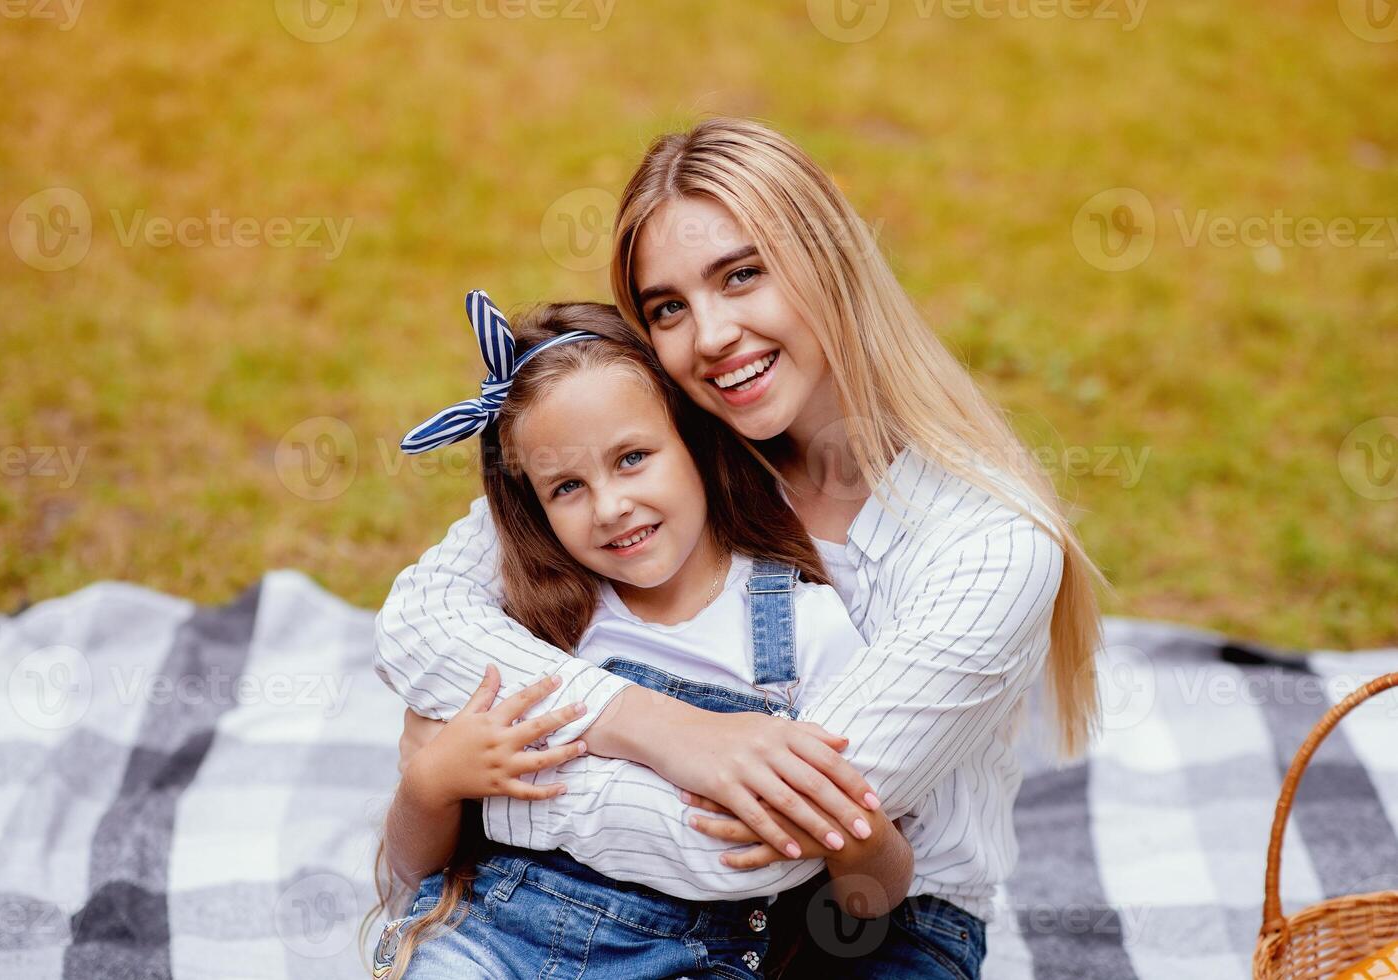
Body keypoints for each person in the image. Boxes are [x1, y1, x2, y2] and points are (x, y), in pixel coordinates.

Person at [377, 118, 1109, 978]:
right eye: (669, 309)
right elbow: (422, 618)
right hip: (595, 903)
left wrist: (472, 783)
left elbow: (759, 844)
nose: (713, 335)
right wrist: (659, 727)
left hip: (874, 924)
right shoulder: (666, 460)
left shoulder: (990, 543)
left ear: (828, 262)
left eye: (743, 275)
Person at [365, 292, 913, 978]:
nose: (610, 506)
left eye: (632, 458)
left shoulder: (804, 629)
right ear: (533, 505)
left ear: (695, 441)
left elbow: (878, 895)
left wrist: (850, 832)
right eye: (567, 486)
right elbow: (417, 875)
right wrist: (431, 784)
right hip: (497, 943)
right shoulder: (539, 633)